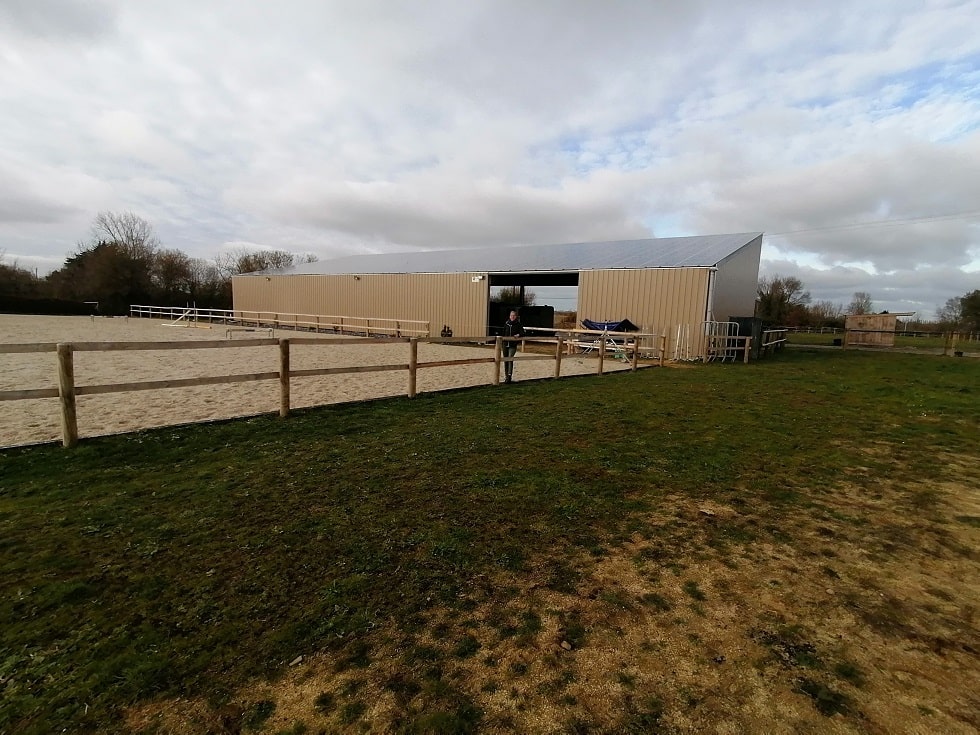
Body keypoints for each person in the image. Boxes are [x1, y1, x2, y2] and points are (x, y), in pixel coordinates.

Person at [502, 309, 525, 383]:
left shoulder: (518, 324)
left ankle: (509, 375)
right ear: (509, 316)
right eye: (511, 315)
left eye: (514, 315)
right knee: (505, 360)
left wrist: (518, 335)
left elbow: (523, 333)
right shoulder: (506, 324)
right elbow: (503, 333)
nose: (512, 317)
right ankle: (506, 376)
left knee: (510, 358)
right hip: (505, 344)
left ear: (516, 316)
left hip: (512, 345)